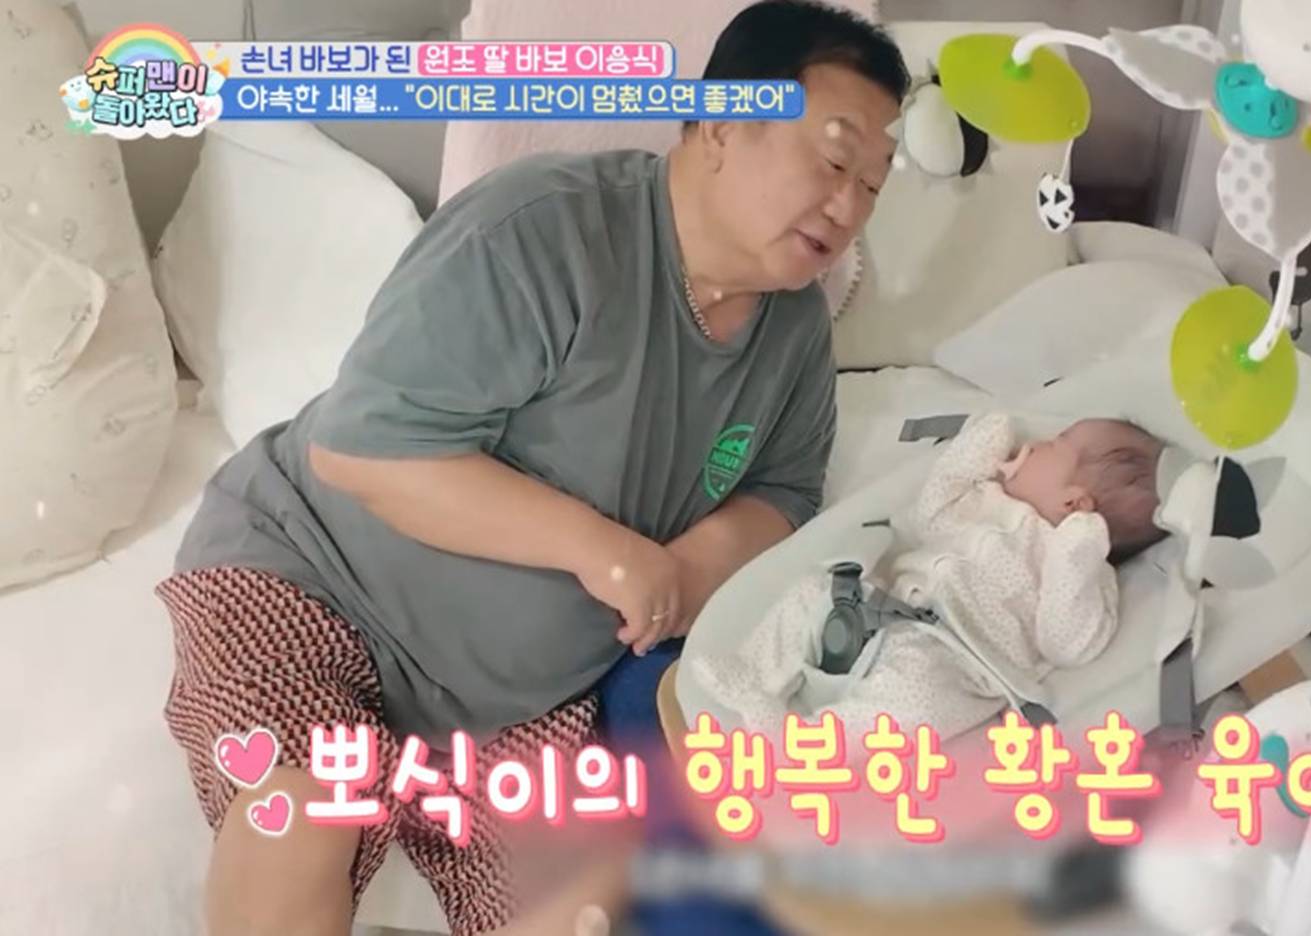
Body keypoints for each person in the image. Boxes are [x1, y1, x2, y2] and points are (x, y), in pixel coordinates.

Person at [154, 3, 908, 934]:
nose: (848, 206)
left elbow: (782, 490)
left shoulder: (792, 329)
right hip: (316, 584)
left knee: (602, 895)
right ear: (721, 123)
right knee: (305, 808)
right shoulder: (545, 232)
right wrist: (603, 552)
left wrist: (686, 570)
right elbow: (361, 449)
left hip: (520, 702)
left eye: (872, 184)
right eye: (833, 161)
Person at [694, 412, 1169, 746]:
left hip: (955, 659)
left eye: (1054, 445)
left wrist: (1077, 552)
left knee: (915, 707)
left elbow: (1066, 643)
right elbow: (931, 513)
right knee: (811, 593)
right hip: (884, 603)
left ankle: (806, 746)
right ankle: (755, 678)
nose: (1037, 443)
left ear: (1074, 503)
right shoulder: (984, 500)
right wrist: (980, 445)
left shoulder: (1080, 567)